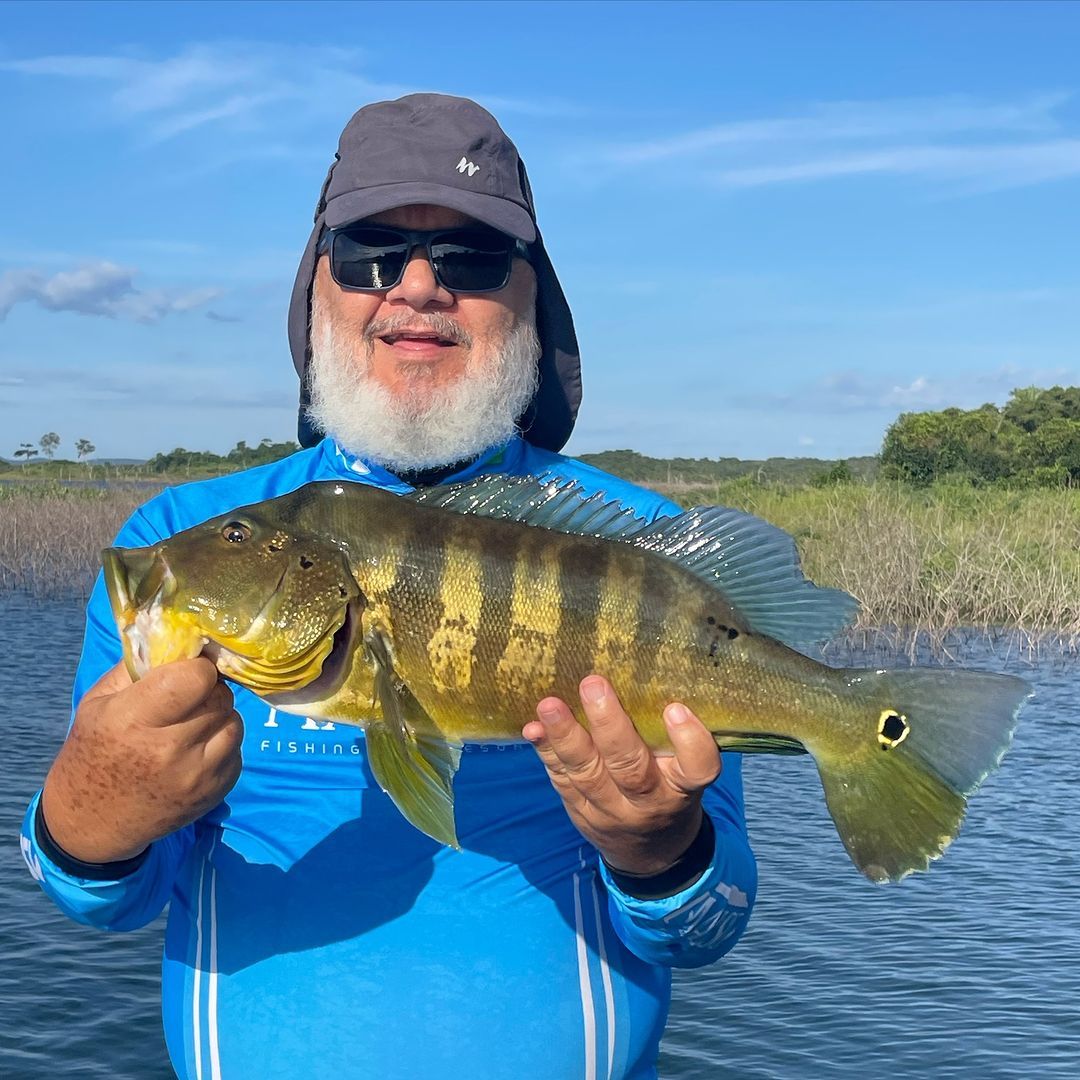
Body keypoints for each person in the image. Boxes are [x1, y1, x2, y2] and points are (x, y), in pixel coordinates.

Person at [21, 94, 757, 1080]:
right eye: (372, 251)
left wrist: (662, 847)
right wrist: (86, 815)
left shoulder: (644, 558)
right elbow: (103, 899)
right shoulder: (174, 546)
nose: (417, 287)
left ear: (534, 298)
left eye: (472, 259)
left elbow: (706, 930)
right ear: (315, 286)